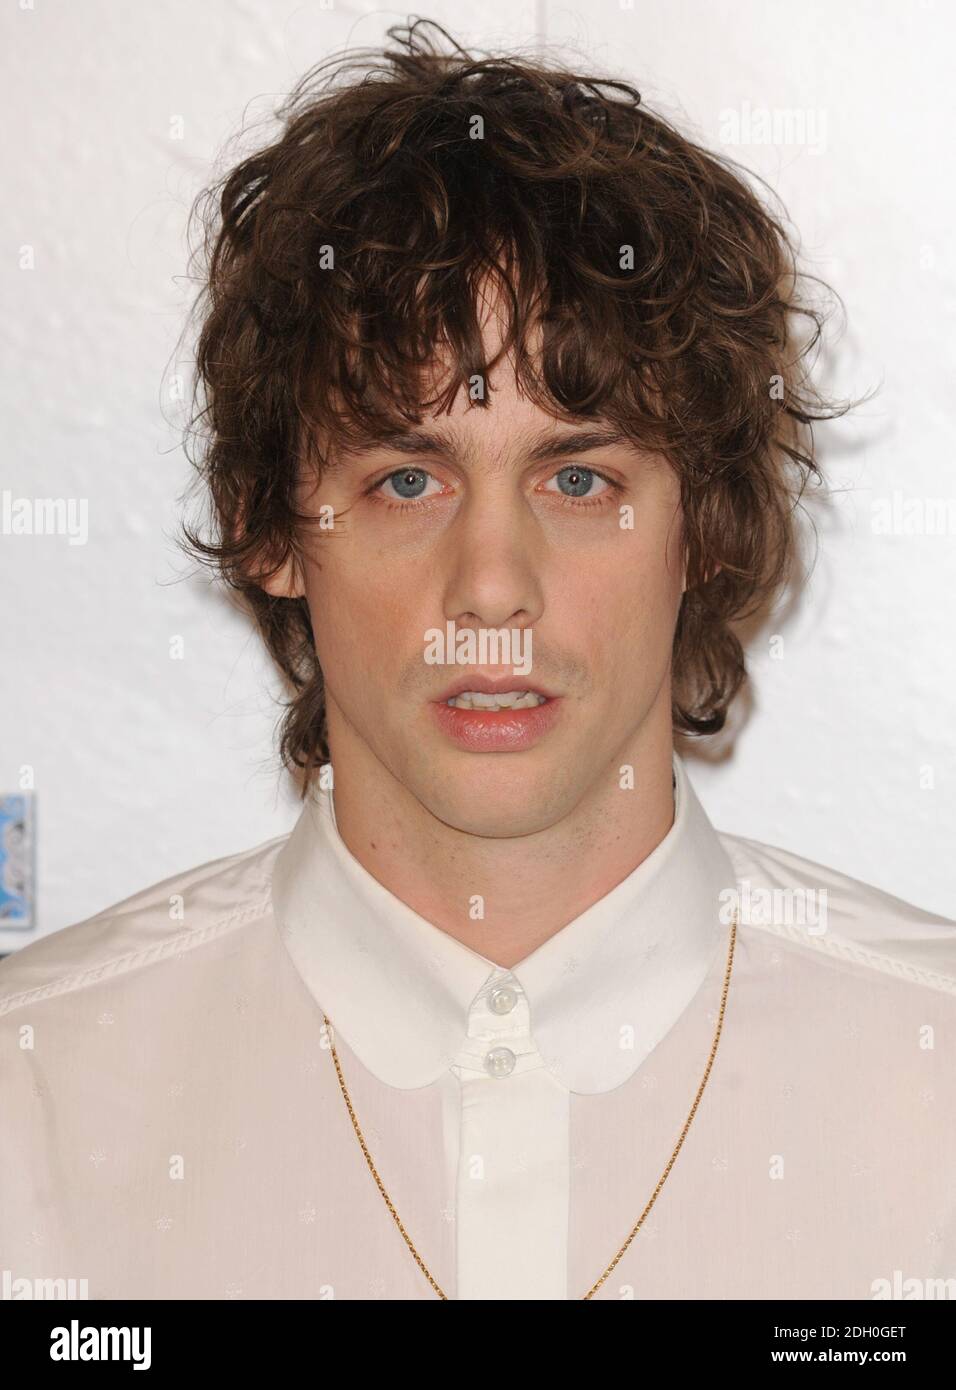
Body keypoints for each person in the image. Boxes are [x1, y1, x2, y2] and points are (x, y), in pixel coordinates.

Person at [1, 19, 953, 1303]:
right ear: (272, 527)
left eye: (577, 476)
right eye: (405, 477)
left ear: (704, 528)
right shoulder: (36, 1098)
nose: (490, 586)